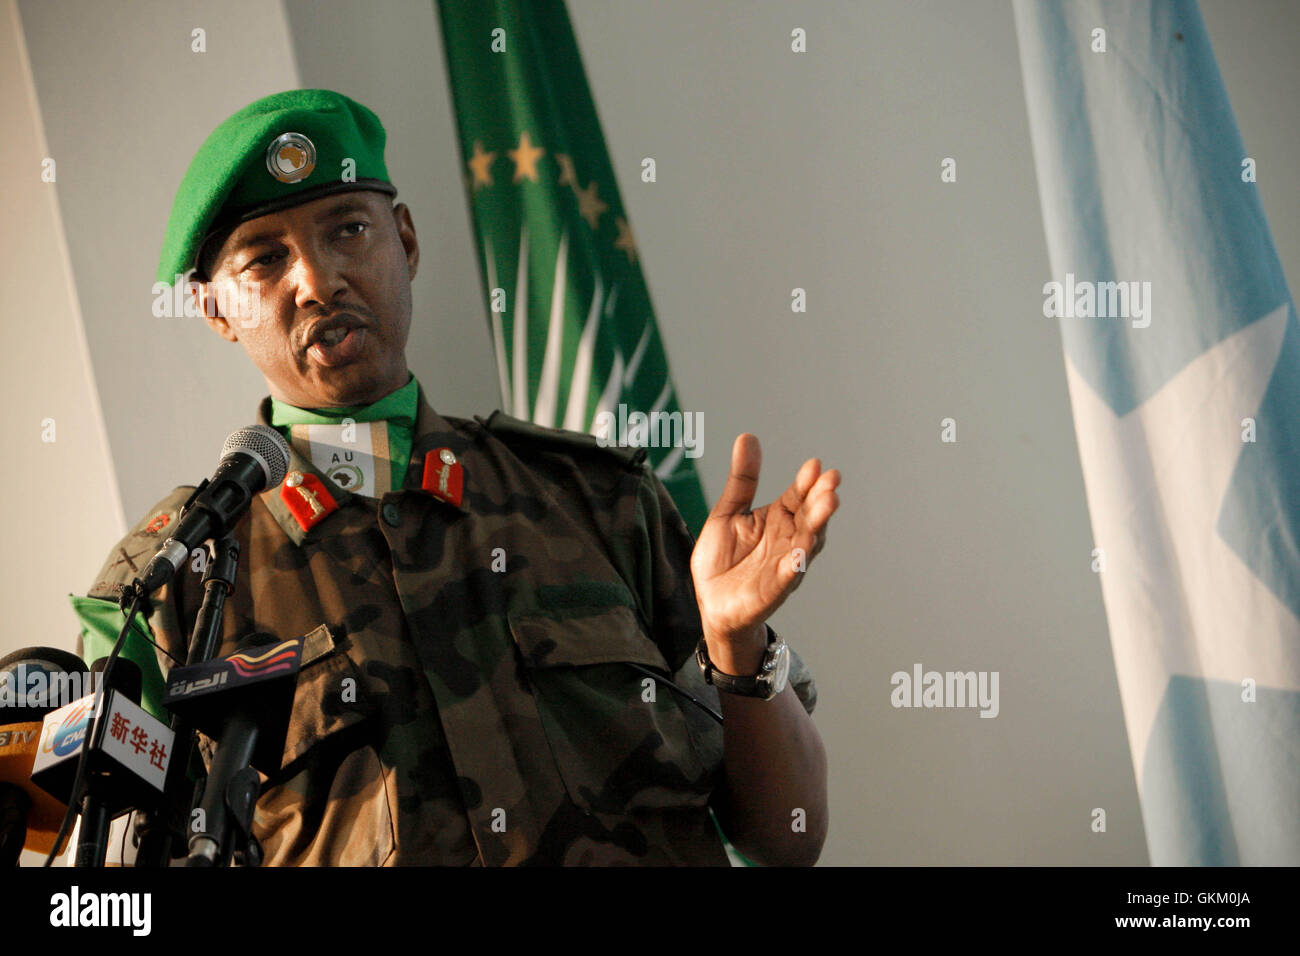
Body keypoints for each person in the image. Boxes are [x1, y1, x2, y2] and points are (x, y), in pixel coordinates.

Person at [72, 89, 839, 866]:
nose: (317, 280)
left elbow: (787, 837)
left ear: (404, 240)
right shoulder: (173, 582)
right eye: (265, 259)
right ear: (214, 309)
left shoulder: (597, 501)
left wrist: (736, 644)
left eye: (348, 230)